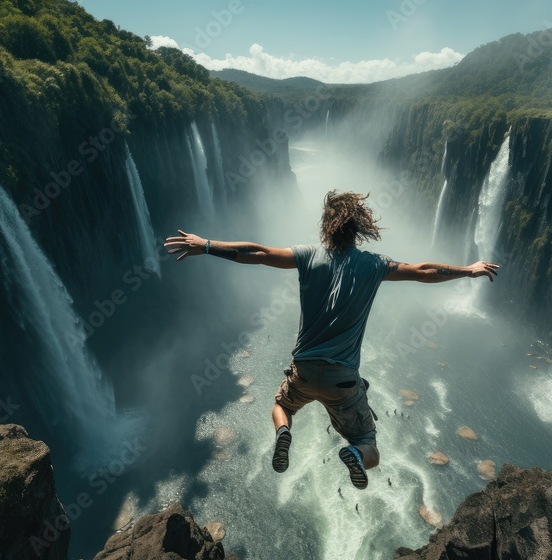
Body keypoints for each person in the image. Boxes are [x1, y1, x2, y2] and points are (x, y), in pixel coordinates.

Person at [165, 190, 498, 489]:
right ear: (359, 229)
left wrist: (206, 245)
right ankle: (354, 451)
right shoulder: (374, 265)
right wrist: (468, 270)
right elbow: (424, 270)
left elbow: (257, 252)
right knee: (370, 443)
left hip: (304, 371)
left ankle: (284, 434)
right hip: (343, 382)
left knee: (282, 405)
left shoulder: (308, 256)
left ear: (327, 227)